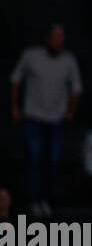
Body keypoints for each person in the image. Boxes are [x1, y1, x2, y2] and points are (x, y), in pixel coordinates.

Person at [10, 24, 82, 216]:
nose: (58, 41)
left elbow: (76, 88)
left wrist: (71, 110)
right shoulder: (31, 55)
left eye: (61, 38)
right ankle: (34, 200)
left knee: (52, 161)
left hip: (56, 118)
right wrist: (15, 106)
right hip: (34, 116)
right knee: (34, 159)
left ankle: (46, 199)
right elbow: (16, 79)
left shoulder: (69, 60)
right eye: (55, 37)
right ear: (48, 38)